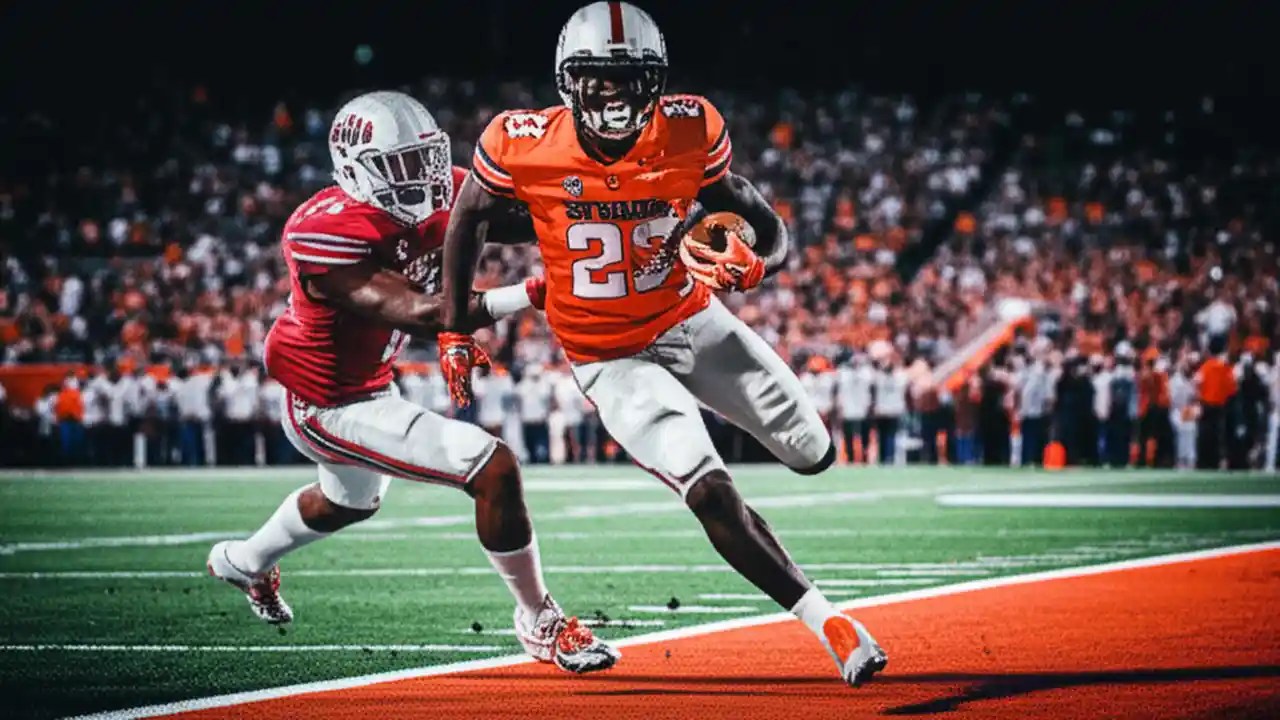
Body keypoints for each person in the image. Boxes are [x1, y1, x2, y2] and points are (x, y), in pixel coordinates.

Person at [440, 2, 885, 687]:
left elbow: (766, 223)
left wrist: (759, 260)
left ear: (658, 80)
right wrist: (452, 325)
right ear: (568, 81)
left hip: (690, 319)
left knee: (813, 452)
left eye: (630, 79)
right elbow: (468, 217)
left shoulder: (691, 128)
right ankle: (829, 621)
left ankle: (810, 527)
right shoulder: (520, 141)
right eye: (598, 79)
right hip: (606, 355)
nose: (615, 95)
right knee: (706, 487)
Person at [206, 90, 617, 675]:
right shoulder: (324, 235)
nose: (422, 177)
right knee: (490, 464)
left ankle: (242, 560)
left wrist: (597, 204)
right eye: (401, 165)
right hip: (327, 403)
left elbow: (519, 218)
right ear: (356, 170)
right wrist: (533, 293)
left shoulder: (432, 191)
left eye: (425, 157)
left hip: (372, 384)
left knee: (351, 501)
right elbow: (425, 313)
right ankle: (538, 619)